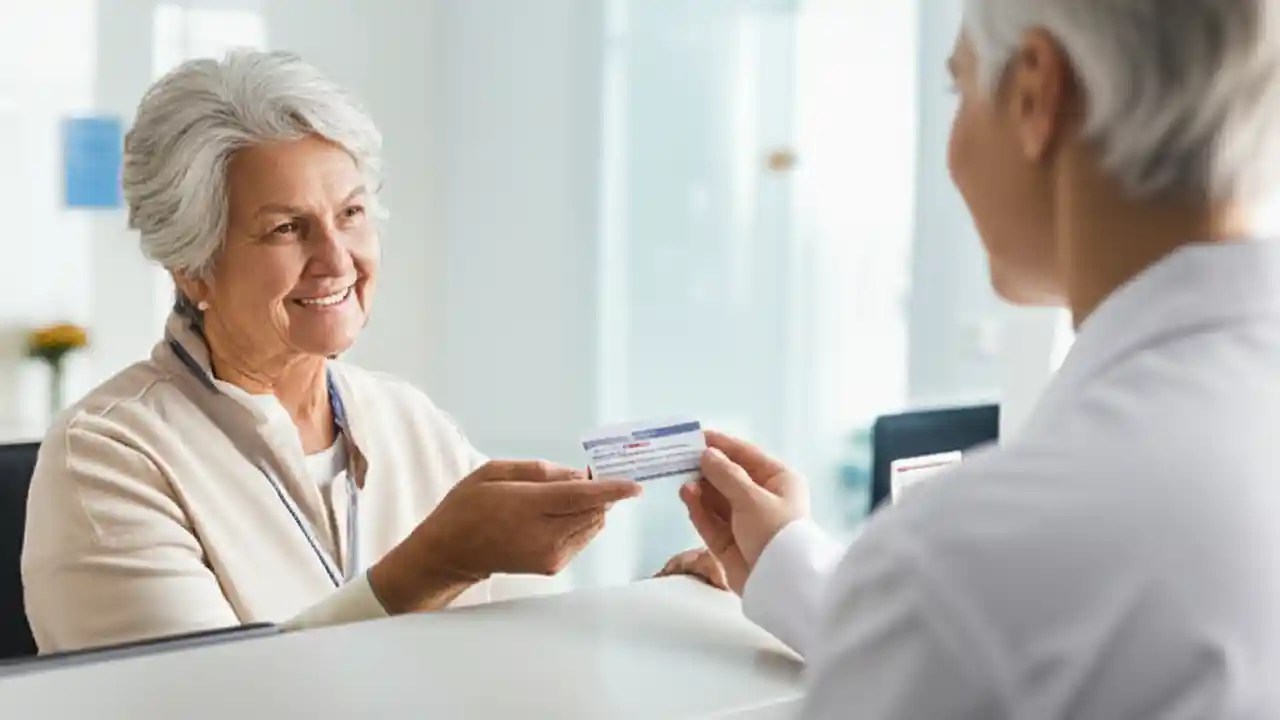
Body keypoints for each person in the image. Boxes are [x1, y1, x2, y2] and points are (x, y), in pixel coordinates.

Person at [664, 0, 1280, 716]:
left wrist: (897, 595)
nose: (951, 156)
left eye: (960, 89)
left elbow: (987, 617)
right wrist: (802, 572)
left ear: (1035, 93)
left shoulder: (967, 561)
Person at [21, 51, 642, 654]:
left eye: (350, 213)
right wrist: (430, 568)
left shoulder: (409, 422)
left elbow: (543, 651)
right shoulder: (107, 456)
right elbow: (209, 703)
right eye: (287, 228)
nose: (337, 259)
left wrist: (682, 601)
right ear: (192, 267)